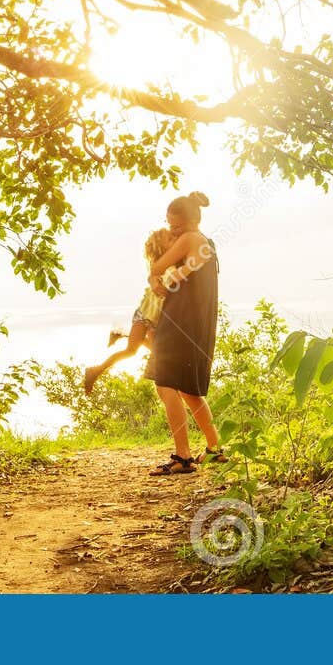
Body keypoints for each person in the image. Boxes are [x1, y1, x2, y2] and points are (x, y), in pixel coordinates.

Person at [144, 191, 225, 476]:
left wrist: (154, 278)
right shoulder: (206, 243)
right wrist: (159, 280)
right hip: (196, 323)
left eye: (176, 224)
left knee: (165, 384)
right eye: (169, 224)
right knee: (188, 391)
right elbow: (172, 277)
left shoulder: (190, 239)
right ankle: (215, 449)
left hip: (180, 321)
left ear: (192, 221)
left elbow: (157, 266)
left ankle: (183, 457)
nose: (172, 230)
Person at [82, 228, 186, 394]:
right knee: (132, 351)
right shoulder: (162, 266)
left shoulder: (167, 264)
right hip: (145, 316)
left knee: (156, 351)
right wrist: (186, 269)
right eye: (170, 239)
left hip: (156, 319)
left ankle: (121, 334)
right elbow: (164, 275)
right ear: (162, 248)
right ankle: (95, 370)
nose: (175, 240)